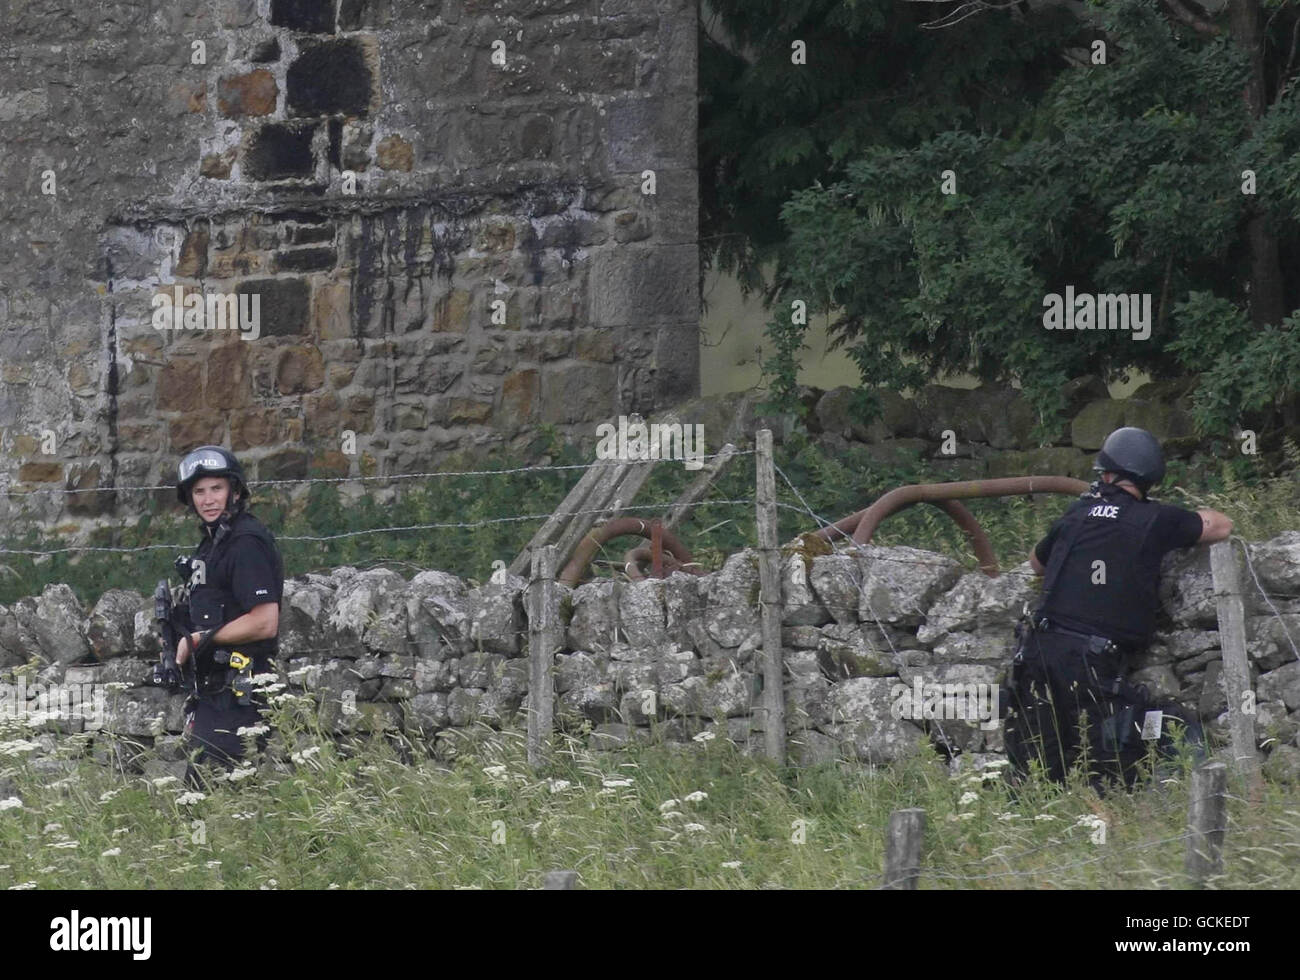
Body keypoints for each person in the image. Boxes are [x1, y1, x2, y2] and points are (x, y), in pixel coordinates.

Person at [1003, 426, 1233, 791]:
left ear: (1106, 474)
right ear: (1150, 478)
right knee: (1150, 742)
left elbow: (1035, 562)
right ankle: (1177, 808)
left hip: (1036, 657)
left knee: (1042, 771)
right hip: (1093, 666)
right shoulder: (1156, 518)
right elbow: (1220, 526)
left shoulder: (1076, 515)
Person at [168, 446, 284, 784]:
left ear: (234, 490)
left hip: (241, 694)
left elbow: (265, 621)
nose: (208, 499)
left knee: (204, 800)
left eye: (216, 488)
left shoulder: (245, 542)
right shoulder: (212, 543)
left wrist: (201, 640)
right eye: (199, 491)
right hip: (215, 693)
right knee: (222, 801)